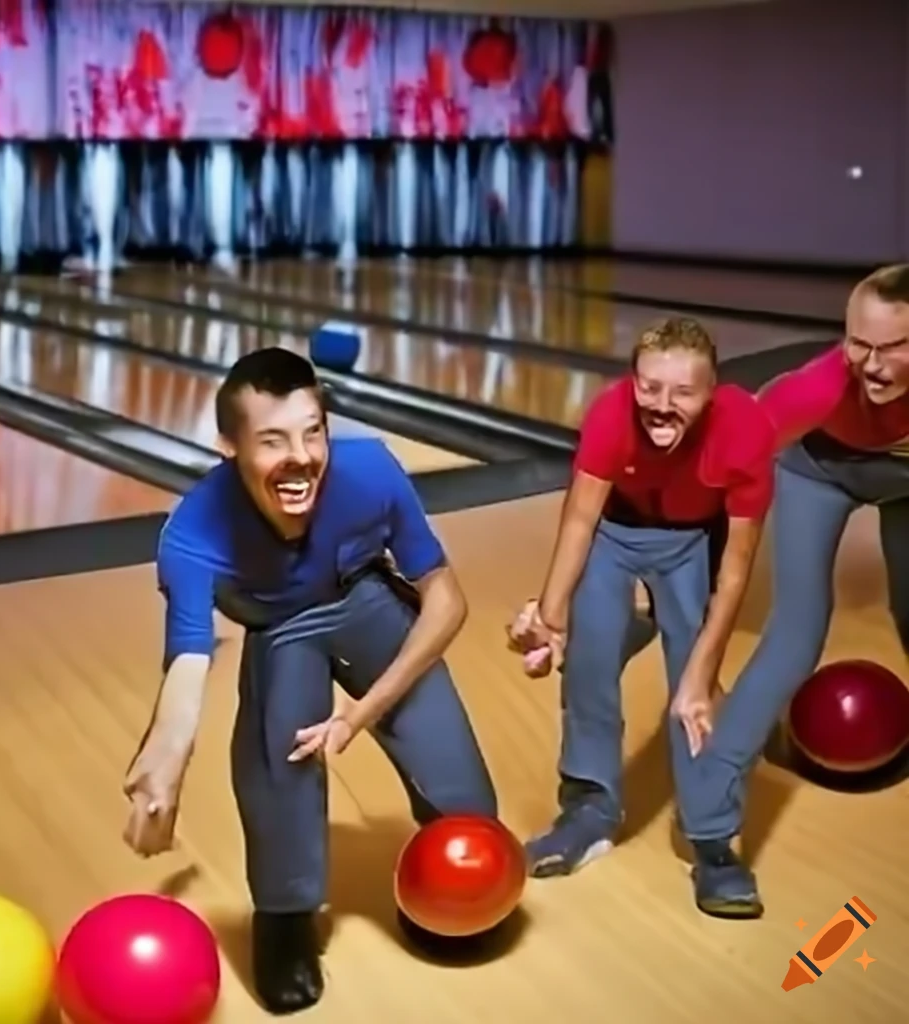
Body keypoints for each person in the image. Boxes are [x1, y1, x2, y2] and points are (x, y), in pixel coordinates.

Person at [121, 347, 497, 1015]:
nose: (300, 457)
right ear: (230, 447)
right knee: (279, 755)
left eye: (312, 431)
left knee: (470, 814)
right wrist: (167, 758)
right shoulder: (193, 530)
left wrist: (361, 713)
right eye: (272, 440)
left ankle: (443, 891)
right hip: (281, 630)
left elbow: (447, 601)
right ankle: (285, 918)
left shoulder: (372, 470)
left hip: (368, 605)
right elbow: (187, 657)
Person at [509, 316, 775, 918]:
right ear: (632, 382)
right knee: (590, 660)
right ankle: (590, 810)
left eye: (682, 392)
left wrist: (701, 678)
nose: (661, 404)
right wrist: (550, 619)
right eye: (649, 387)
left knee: (692, 679)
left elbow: (735, 569)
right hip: (615, 533)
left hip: (692, 541)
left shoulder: (744, 430)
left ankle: (712, 839)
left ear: (710, 394)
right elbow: (580, 519)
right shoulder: (610, 414)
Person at [684, 264, 909, 910]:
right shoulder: (815, 390)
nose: (869, 363)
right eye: (857, 343)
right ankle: (710, 832)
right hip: (819, 472)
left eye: (891, 346)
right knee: (795, 633)